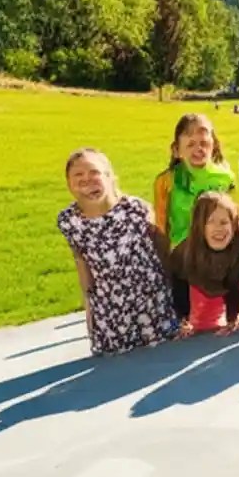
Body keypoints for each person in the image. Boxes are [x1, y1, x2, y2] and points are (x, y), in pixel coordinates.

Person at [58, 148, 178, 356]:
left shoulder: (136, 209)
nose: (88, 181)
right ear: (69, 184)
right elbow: (82, 267)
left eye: (94, 173)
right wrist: (91, 319)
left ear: (109, 176)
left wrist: (176, 297)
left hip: (152, 304)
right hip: (112, 314)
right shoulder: (69, 221)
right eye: (79, 176)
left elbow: (163, 251)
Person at [167, 192, 239, 336]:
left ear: (234, 225)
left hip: (237, 283)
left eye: (224, 222)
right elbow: (178, 288)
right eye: (211, 222)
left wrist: (233, 319)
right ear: (200, 226)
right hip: (196, 279)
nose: (219, 229)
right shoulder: (186, 254)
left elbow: (235, 287)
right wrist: (183, 321)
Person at [153, 113, 236, 246]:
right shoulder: (165, 181)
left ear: (214, 145)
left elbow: (238, 221)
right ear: (176, 150)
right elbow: (160, 226)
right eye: (191, 144)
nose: (198, 149)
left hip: (218, 252)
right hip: (181, 255)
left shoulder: (227, 179)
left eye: (204, 143)